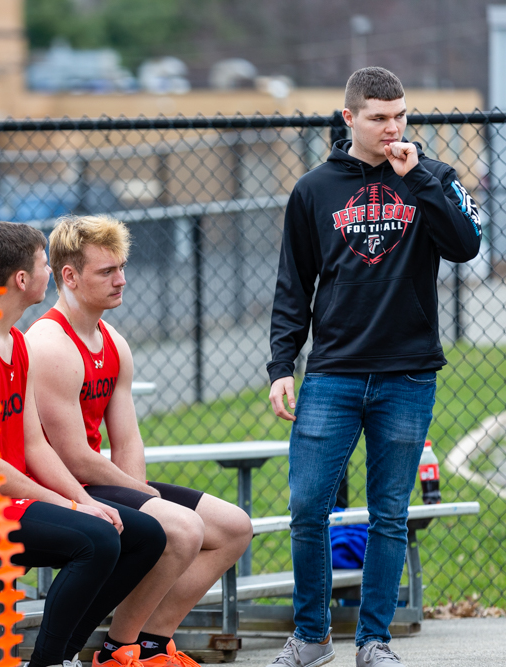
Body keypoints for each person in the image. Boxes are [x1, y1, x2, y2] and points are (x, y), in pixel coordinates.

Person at [264, 67, 482, 667]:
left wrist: (419, 183)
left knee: (390, 512)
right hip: (332, 372)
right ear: (349, 119)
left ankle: (374, 641)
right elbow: (293, 285)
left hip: (408, 373)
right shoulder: (313, 190)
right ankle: (311, 638)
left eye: (401, 115)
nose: (394, 128)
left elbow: (466, 244)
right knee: (308, 507)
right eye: (380, 117)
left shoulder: (434, 177)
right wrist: (283, 362)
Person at [0, 221, 167, 667]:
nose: (50, 273)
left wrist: (82, 500)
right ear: (21, 279)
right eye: (42, 265)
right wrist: (74, 508)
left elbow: (34, 446)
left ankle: (62, 654)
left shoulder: (16, 342)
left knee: (145, 534)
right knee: (95, 541)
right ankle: (49, 661)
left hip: (4, 497)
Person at [25, 215, 252, 667]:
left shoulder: (113, 341)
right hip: (61, 487)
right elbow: (72, 457)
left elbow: (127, 440)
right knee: (182, 527)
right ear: (68, 275)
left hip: (99, 481)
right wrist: (146, 502)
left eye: (122, 267)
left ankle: (144, 646)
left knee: (233, 527)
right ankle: (121, 651)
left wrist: (141, 495)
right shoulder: (50, 344)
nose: (122, 280)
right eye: (106, 271)